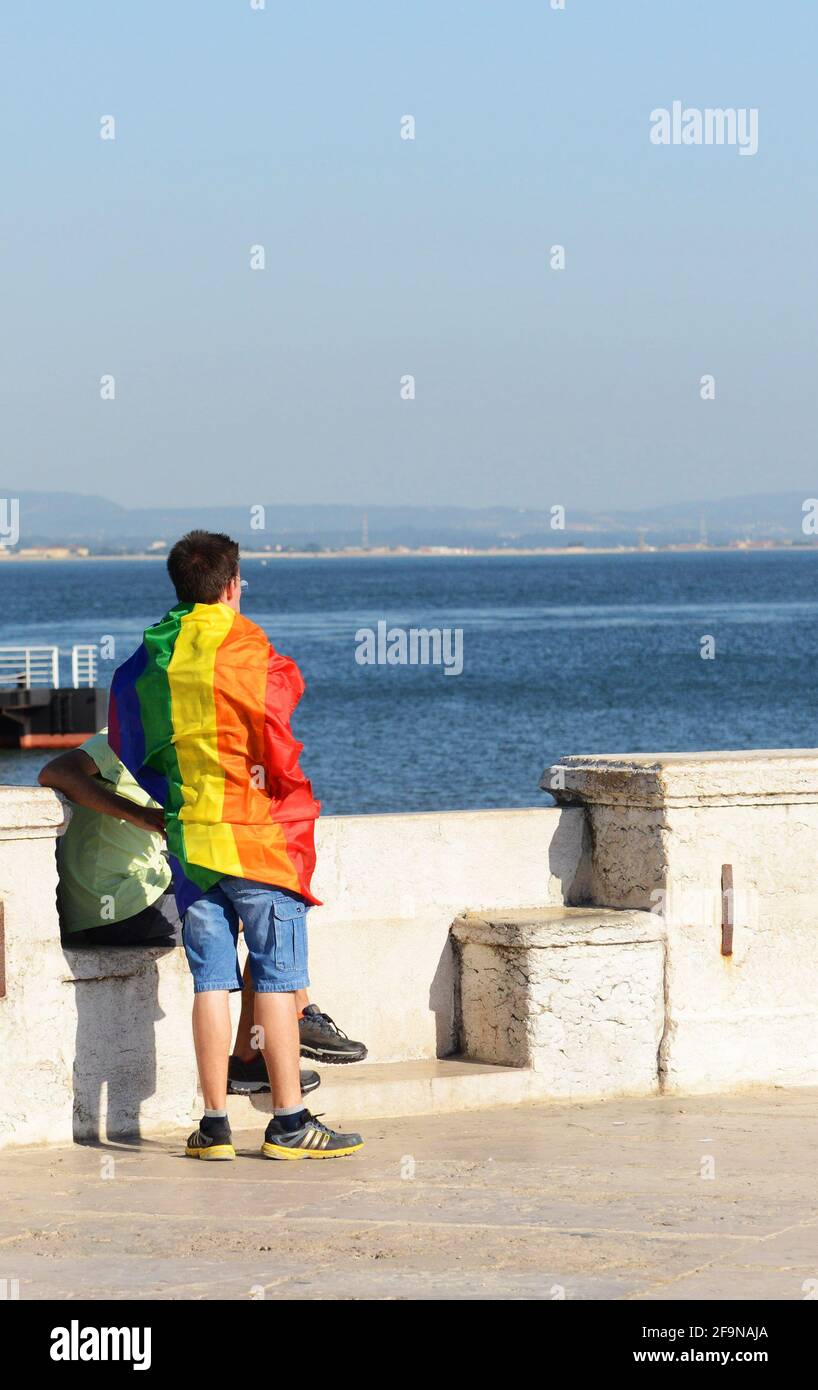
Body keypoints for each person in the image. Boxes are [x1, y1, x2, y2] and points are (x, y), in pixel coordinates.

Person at [108, 530, 364, 1161]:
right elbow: (279, 730)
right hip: (255, 840)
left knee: (211, 983)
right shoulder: (250, 648)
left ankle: (215, 1124)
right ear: (232, 585)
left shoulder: (151, 657)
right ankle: (289, 1122)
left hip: (191, 843)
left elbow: (127, 738)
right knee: (277, 981)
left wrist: (177, 794)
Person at [39, 733, 365, 1094]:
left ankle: (251, 1057)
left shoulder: (175, 745)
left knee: (261, 908)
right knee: (267, 913)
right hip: (119, 904)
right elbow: (56, 772)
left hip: (130, 895)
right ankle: (293, 1021)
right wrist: (141, 815)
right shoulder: (121, 738)